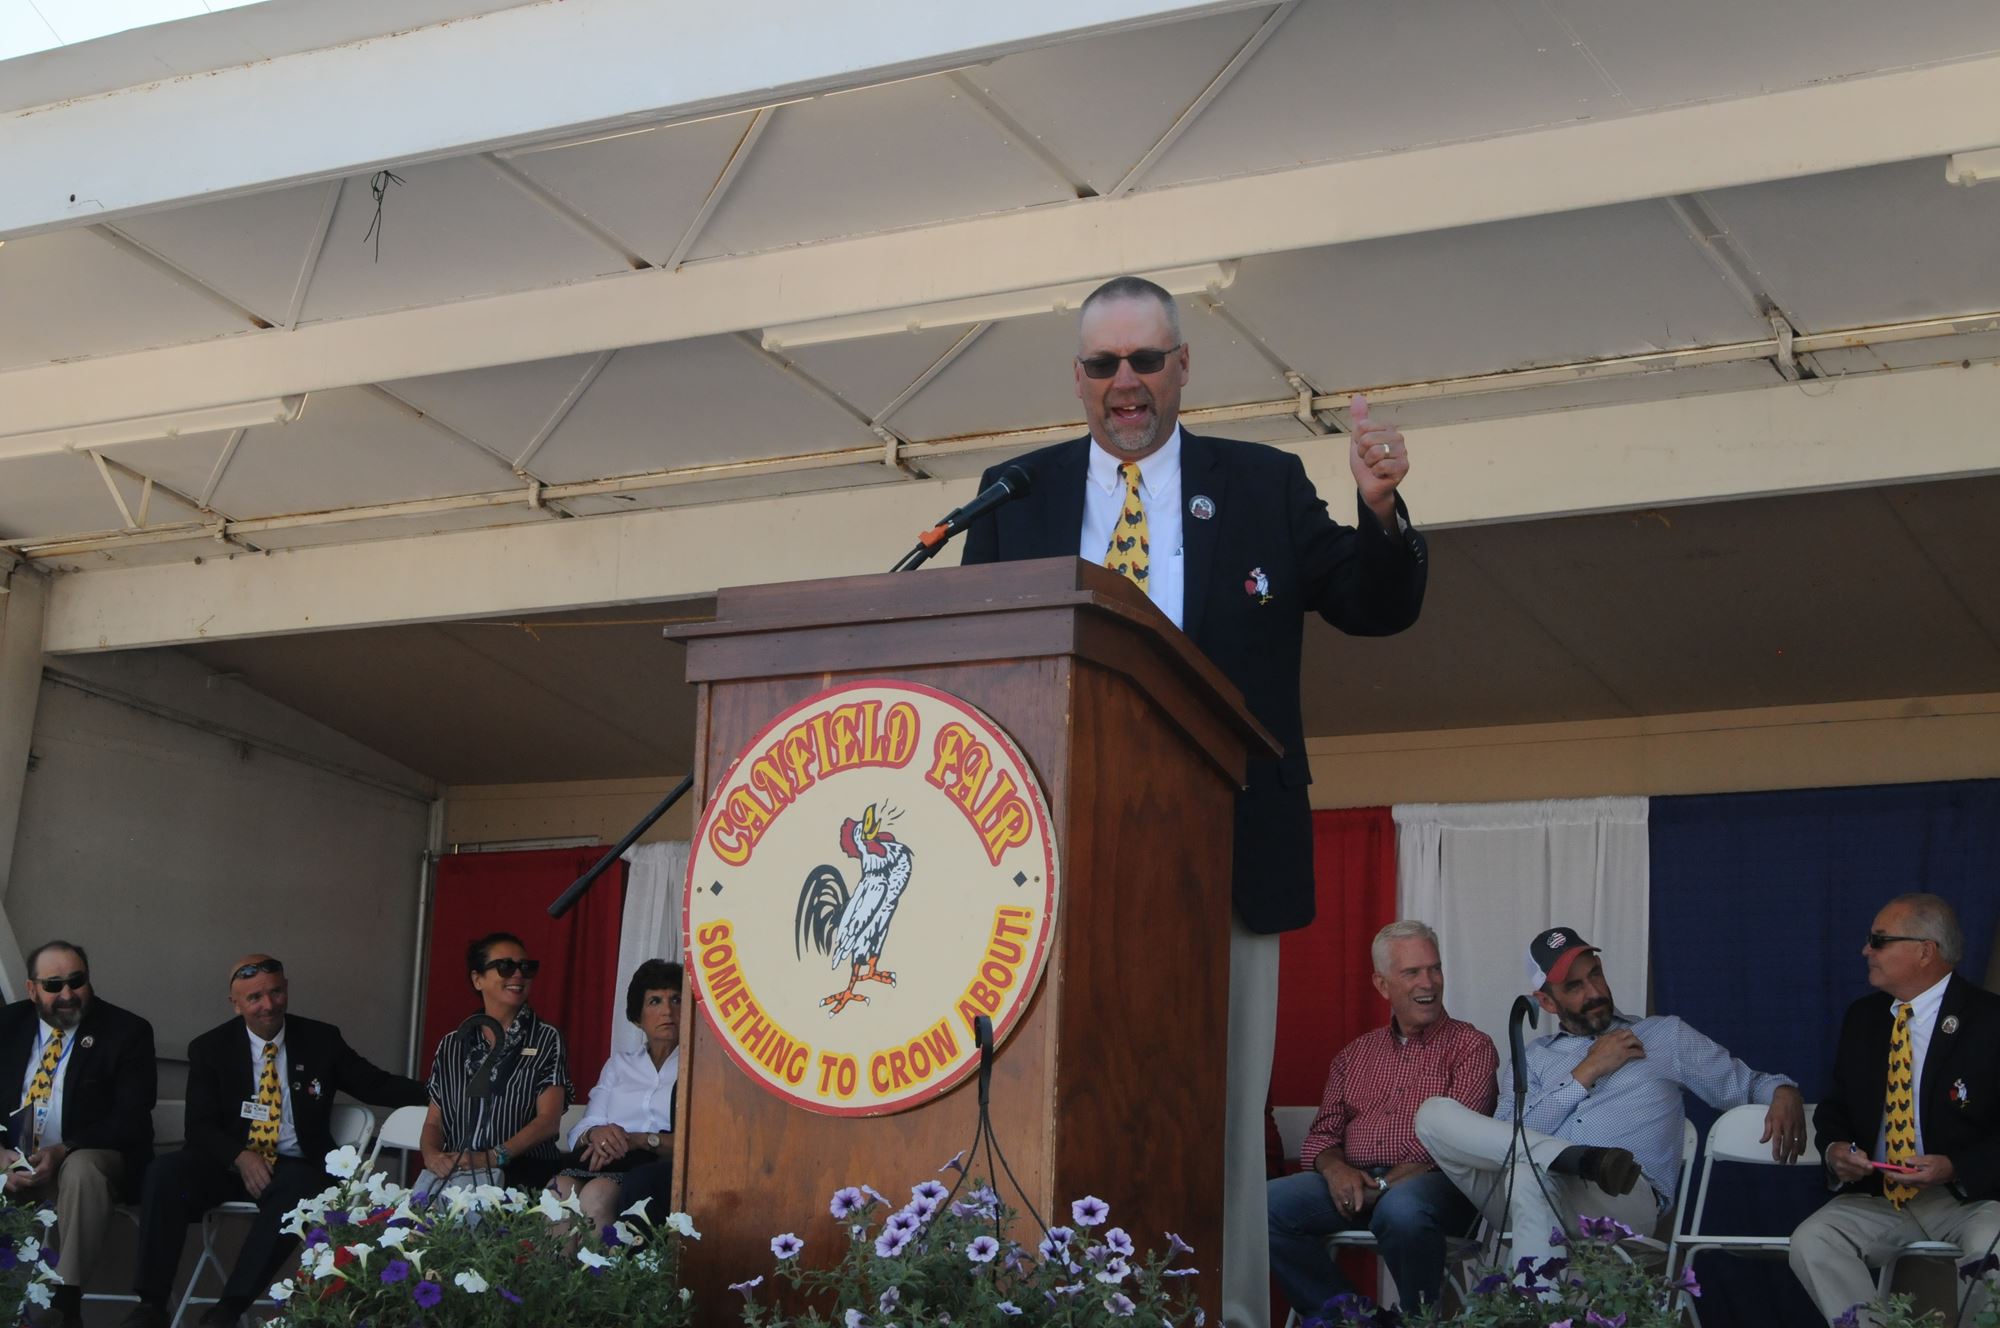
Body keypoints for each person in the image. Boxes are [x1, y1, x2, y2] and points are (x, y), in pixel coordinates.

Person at [961, 275, 1427, 1328]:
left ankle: (1222, 1310)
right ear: (1076, 379)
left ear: (1181, 366)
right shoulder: (1014, 493)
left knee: (1217, 1114)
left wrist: (1379, 508)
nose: (1124, 383)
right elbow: (974, 664)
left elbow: (1369, 602)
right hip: (1057, 854)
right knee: (1050, 1093)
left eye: (1143, 360)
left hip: (1225, 843)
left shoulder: (1260, 483)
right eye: (1101, 365)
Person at [1416, 925, 1806, 1273]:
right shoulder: (1535, 1058)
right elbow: (1501, 1142)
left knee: (1529, 1178)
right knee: (1432, 1115)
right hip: (1527, 1189)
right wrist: (1587, 1071)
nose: (1594, 992)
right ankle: (1582, 1159)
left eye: (1595, 974)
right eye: (1574, 986)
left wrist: (1783, 1089)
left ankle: (1535, 1314)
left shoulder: (1664, 1037)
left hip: (1621, 1196)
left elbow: (1746, 1085)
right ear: (1547, 1002)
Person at [122, 954, 427, 1328]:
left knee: (298, 1189)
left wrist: (442, 1095)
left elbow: (375, 1084)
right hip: (228, 1164)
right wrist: (241, 1156)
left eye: (276, 992)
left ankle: (228, 1310)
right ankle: (151, 1305)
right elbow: (199, 1127)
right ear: (235, 1004)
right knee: (164, 1173)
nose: (268, 1005)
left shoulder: (320, 1039)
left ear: (286, 990)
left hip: (295, 1168)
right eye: (254, 998)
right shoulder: (210, 1048)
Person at [1790, 894, 2000, 1325]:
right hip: (1882, 1195)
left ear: (1926, 950)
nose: (1866, 950)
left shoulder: (1990, 1019)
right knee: (1813, 1240)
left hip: (1970, 1197)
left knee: (1994, 1254)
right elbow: (1836, 1107)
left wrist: (1955, 1166)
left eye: (1879, 940)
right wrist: (1835, 1152)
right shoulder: (1864, 1017)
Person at [1267, 921, 1496, 1313]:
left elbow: (1457, 1144)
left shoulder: (1472, 1047)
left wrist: (1385, 1186)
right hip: (1355, 1185)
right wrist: (1336, 1171)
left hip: (1437, 1187)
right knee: (1264, 1207)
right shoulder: (1355, 1054)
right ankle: (1352, 1320)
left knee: (1402, 1210)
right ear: (1382, 985)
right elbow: (1322, 1135)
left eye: (1435, 968)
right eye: (1411, 972)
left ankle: (1418, 1321)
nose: (1429, 982)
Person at [0, 940, 155, 1328]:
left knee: (81, 1168)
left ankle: (64, 1301)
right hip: (13, 1162)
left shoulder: (127, 1031)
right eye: (54, 985)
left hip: (91, 1160)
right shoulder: (6, 1026)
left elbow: (132, 1117)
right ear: (32, 989)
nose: (67, 994)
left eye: (77, 981)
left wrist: (62, 1150)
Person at [419, 932, 571, 1192]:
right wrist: (432, 1156)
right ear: (477, 979)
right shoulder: (453, 1043)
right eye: (505, 966)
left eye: (526, 967)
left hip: (522, 1171)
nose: (518, 975)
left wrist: (492, 1157)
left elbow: (549, 1120)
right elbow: (434, 1121)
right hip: (460, 1173)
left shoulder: (545, 1037)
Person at [555, 959, 681, 1229]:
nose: (667, 1011)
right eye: (655, 1001)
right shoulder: (619, 1064)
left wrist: (639, 1140)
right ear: (638, 1016)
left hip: (654, 1166)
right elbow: (582, 1128)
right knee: (559, 1190)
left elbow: (699, 1146)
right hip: (608, 1160)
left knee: (597, 1194)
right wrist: (597, 1134)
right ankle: (555, 1272)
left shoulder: (698, 1070)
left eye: (677, 1000)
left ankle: (601, 1272)